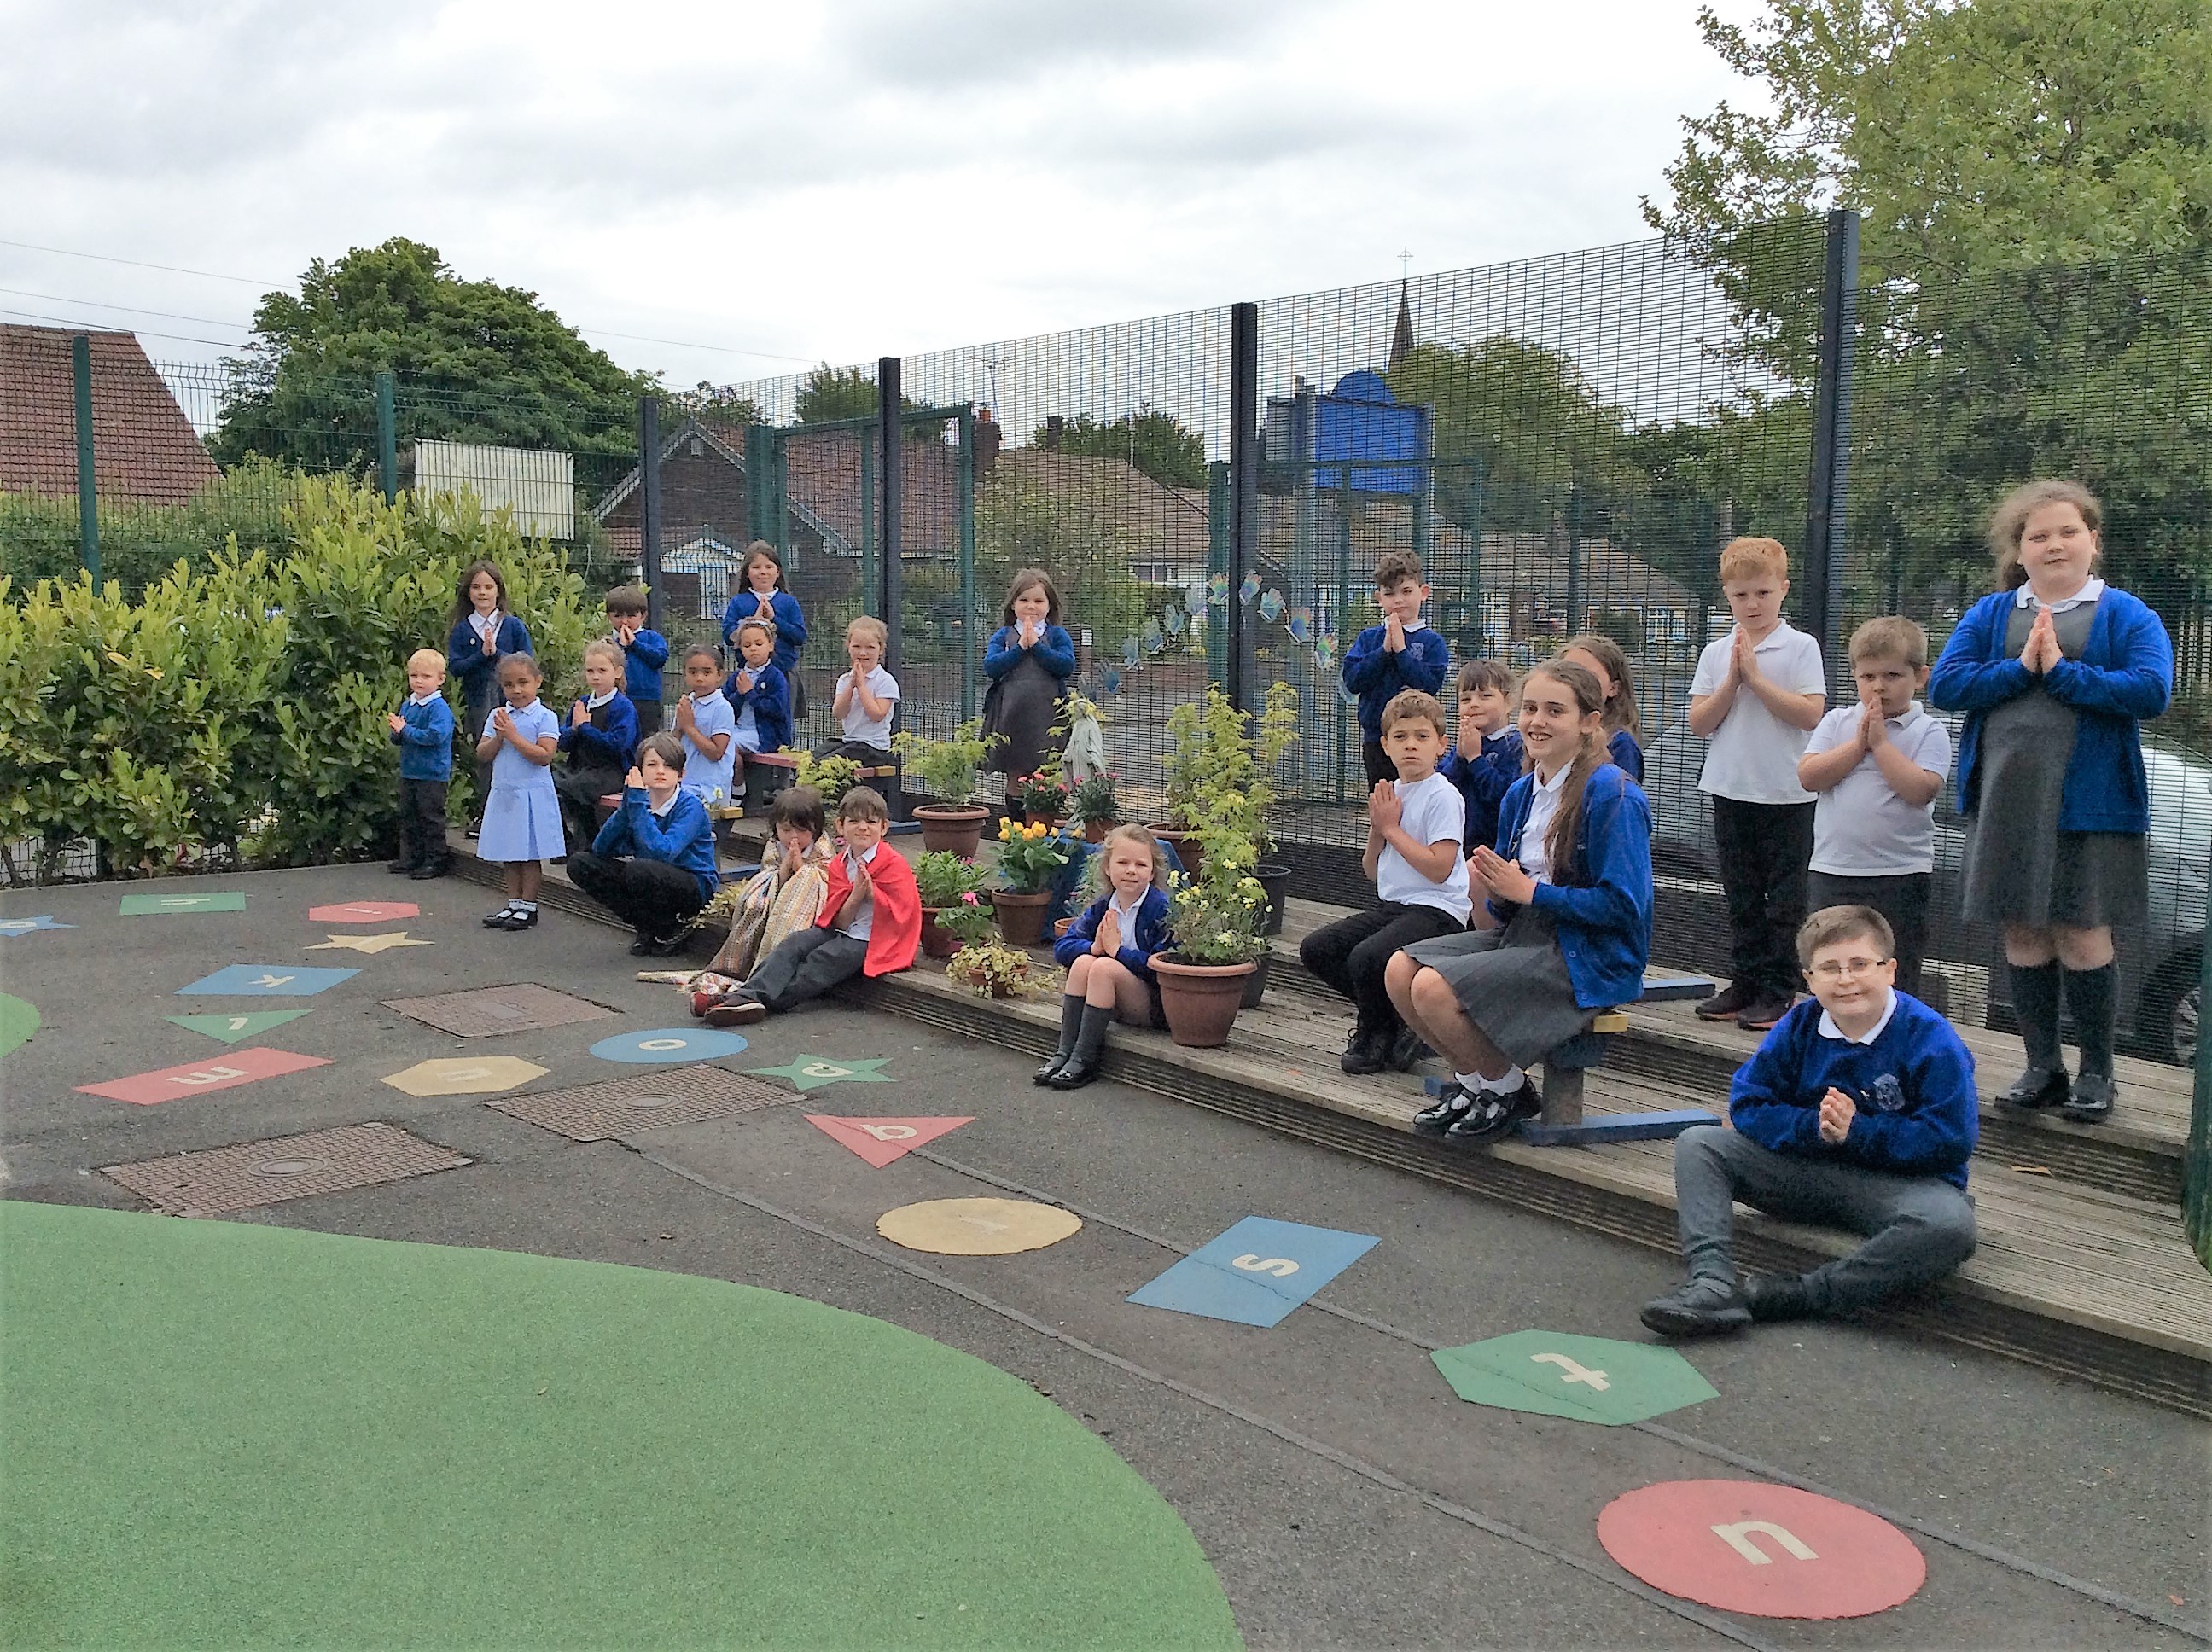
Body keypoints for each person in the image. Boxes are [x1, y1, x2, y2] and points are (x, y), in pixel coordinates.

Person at [1929, 480, 2174, 1123]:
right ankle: (2042, 1066)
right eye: (2039, 535)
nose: (2054, 544)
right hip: (2007, 802)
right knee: (2023, 929)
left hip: (2092, 805)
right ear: (2020, 549)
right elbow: (1948, 685)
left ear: (2093, 541)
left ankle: (2098, 1073)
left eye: (2068, 532)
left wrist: (2063, 672)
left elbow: (2151, 690)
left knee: (2084, 932)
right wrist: (2021, 670)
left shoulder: (2126, 614)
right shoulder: (1989, 615)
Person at [1639, 905, 1978, 1336]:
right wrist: (1812, 1129)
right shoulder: (1799, 1025)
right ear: (1809, 979)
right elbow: (1748, 1103)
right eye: (1829, 969)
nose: (1846, 979)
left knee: (1950, 1227)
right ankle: (1711, 1282)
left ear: (1890, 970)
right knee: (1699, 1143)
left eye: (1860, 965)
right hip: (1810, 1169)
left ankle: (1801, 1294)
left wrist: (1859, 1132)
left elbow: (1951, 1140)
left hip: (1901, 1187)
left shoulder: (1932, 1039)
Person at [1387, 660, 1654, 1143]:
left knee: (1432, 988)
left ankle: (1507, 1088)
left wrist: (1529, 891)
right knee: (1399, 970)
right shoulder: (1520, 793)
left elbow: (1624, 908)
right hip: (1527, 934)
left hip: (1591, 952)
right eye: (1530, 708)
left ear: (1591, 722)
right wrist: (1495, 889)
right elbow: (1511, 904)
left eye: (1556, 711)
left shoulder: (1613, 794)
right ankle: (1476, 1084)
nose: (1537, 721)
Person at [1686, 537, 1828, 1031]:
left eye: (1763, 594)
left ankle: (1777, 987)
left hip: (1787, 794)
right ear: (1727, 596)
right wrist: (1732, 680)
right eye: (1742, 595)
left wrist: (1757, 680)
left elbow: (1811, 713)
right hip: (1730, 788)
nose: (1753, 604)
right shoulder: (1716, 651)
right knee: (1741, 895)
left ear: (1782, 591)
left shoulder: (1800, 647)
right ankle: (1743, 981)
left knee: (1784, 900)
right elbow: (1699, 722)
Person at [1301, 690, 1472, 1075]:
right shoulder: (1389, 793)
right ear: (1386, 745)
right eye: (1401, 737)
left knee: (1367, 957)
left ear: (1441, 745)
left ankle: (1373, 1035)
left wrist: (1391, 828)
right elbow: (1372, 870)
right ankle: (1397, 1023)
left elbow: (1440, 869)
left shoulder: (1443, 796)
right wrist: (1379, 830)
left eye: (1422, 736)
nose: (1411, 745)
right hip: (1393, 905)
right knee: (1318, 948)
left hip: (1438, 908)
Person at [1798, 617, 1951, 1002]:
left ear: (1920, 677)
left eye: (1893, 675)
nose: (1879, 686)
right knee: (1831, 964)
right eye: (1868, 676)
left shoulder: (1928, 730)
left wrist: (1881, 745)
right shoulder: (1837, 722)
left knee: (1892, 972)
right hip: (1834, 871)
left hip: (1899, 875)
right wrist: (1858, 745)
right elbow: (1809, 776)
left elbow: (1921, 790)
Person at [703, 786, 918, 1024]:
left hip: (872, 939)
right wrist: (857, 895)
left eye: (871, 822)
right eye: (854, 821)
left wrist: (872, 894)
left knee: (820, 961)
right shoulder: (840, 863)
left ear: (884, 827)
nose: (863, 827)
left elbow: (903, 915)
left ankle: (755, 1002)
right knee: (794, 943)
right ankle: (744, 995)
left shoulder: (894, 864)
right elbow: (840, 920)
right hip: (843, 930)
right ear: (840, 826)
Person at [1038, 823, 1174, 1091]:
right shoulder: (1104, 905)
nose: (1131, 871)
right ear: (1108, 868)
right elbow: (1062, 948)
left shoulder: (1160, 908)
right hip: (1112, 1003)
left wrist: (1117, 952)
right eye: (1123, 862)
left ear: (1152, 871)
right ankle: (1064, 1052)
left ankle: (1085, 1058)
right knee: (1084, 962)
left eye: (1141, 865)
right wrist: (1094, 948)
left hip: (1153, 1006)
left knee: (1103, 968)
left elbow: (1162, 966)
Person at [568, 733, 720, 956]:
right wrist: (627, 805)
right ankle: (648, 927)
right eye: (652, 764)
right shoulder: (639, 801)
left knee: (639, 869)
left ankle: (671, 928)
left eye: (668, 766)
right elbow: (601, 849)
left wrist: (637, 804)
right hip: (651, 875)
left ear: (681, 775)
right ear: (638, 771)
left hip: (693, 884)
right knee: (581, 864)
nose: (660, 771)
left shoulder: (690, 807)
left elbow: (661, 853)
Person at [690, 786, 834, 1009]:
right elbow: (769, 871)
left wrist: (802, 870)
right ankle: (741, 966)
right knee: (755, 901)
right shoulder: (774, 846)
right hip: (773, 898)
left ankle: (765, 973)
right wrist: (784, 872)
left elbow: (825, 877)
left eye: (802, 831)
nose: (793, 837)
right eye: (787, 830)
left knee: (806, 883)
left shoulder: (823, 848)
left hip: (806, 908)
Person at [1342, 550, 1451, 788]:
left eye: (1406, 592)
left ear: (1423, 593)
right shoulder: (1369, 638)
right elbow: (1353, 680)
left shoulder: (1432, 642)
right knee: (1383, 799)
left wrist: (1401, 652)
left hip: (1417, 740)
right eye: (1390, 594)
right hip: (1377, 740)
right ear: (1379, 598)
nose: (1398, 600)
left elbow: (1428, 685)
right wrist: (1383, 652)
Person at [474, 653, 563, 931]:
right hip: (505, 792)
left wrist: (513, 735)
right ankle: (512, 903)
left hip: (531, 794)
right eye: (509, 685)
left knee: (529, 854)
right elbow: (482, 753)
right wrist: (500, 737)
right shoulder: (497, 716)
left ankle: (529, 906)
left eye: (523, 682)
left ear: (538, 681)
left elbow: (544, 755)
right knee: (509, 852)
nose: (517, 690)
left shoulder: (545, 716)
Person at [445, 560, 533, 830]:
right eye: (476, 587)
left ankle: (518, 814)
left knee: (516, 753)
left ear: (498, 591)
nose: (482, 593)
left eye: (488, 587)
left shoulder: (513, 626)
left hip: (513, 703)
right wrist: (480, 656)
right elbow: (456, 667)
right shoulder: (462, 628)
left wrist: (497, 655)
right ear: (468, 593)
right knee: (485, 755)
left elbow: (527, 662)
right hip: (478, 702)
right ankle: (489, 814)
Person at [981, 567, 1078, 812]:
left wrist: (1036, 647)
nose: (1031, 606)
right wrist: (1020, 647)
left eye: (1038, 600)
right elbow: (991, 667)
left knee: (1046, 774)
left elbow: (1066, 665)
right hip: (1011, 716)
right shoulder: (1003, 636)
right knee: (1015, 776)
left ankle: (1042, 836)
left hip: (1048, 717)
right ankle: (1016, 836)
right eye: (1024, 600)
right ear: (1013, 604)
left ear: (1049, 605)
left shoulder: (1057, 635)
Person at [552, 641, 640, 850]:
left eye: (602, 670)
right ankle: (565, 842)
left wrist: (584, 727)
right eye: (590, 670)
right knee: (545, 782)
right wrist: (573, 729)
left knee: (577, 788)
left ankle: (592, 841)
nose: (596, 676)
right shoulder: (582, 704)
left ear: (617, 672)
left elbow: (617, 744)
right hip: (580, 767)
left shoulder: (623, 707)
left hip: (612, 771)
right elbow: (562, 743)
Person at [1436, 659, 1522, 857]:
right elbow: (1442, 786)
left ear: (1508, 702)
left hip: (1495, 848)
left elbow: (1504, 796)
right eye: (1465, 699)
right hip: (1457, 842)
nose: (1474, 704)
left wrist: (1475, 759)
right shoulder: (1463, 744)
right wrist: (1460, 756)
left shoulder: (1516, 745)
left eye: (1485, 696)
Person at [387, 647, 456, 880]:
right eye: (414, 676)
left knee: (430, 816)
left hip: (432, 773)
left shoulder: (439, 708)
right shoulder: (409, 705)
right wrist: (397, 731)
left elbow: (435, 737)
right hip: (410, 771)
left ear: (440, 680)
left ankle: (435, 859)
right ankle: (411, 857)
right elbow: (399, 737)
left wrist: (405, 730)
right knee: (409, 815)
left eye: (425, 677)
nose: (418, 681)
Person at [721, 541, 809, 718]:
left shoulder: (788, 602)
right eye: (756, 567)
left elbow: (800, 636)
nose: (763, 572)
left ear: (778, 572)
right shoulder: (739, 602)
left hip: (783, 672)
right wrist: (751, 622)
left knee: (781, 720)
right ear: (747, 573)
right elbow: (728, 635)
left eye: (769, 566)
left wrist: (774, 620)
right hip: (748, 674)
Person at [1558, 632, 1644, 782]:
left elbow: (1619, 799)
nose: (1575, 683)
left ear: (1614, 688)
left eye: (1589, 676)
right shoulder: (1551, 731)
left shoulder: (1620, 745)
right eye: (1566, 675)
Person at [724, 617, 794, 777]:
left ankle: (737, 787)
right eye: (747, 645)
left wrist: (750, 694)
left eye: (759, 644)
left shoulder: (775, 676)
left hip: (764, 735)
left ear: (770, 646)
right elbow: (725, 706)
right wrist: (739, 695)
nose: (753, 649)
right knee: (713, 743)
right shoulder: (738, 677)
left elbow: (778, 710)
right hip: (738, 729)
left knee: (726, 747)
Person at [671, 645, 738, 805]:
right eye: (692, 672)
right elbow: (672, 746)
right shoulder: (686, 704)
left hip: (710, 789)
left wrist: (689, 727)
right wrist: (680, 727)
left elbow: (716, 753)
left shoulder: (722, 708)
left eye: (707, 672)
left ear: (719, 675)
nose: (699, 678)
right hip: (684, 783)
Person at [829, 615, 899, 766]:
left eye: (870, 647)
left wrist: (861, 687)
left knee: (832, 764)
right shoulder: (844, 679)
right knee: (816, 757)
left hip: (874, 748)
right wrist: (851, 685)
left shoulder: (885, 680)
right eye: (856, 647)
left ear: (880, 649)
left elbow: (877, 715)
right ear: (848, 646)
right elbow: (839, 713)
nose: (863, 653)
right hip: (850, 742)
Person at [606, 585, 669, 735]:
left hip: (647, 700)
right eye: (618, 616)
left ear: (643, 616)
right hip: (617, 699)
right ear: (609, 616)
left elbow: (659, 658)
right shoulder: (608, 643)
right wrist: (620, 647)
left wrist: (634, 644)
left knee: (647, 739)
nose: (625, 621)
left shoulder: (651, 637)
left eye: (631, 616)